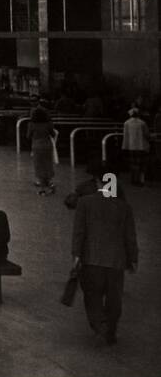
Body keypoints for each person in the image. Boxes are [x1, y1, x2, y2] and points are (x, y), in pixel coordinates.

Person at [72, 172, 139, 345]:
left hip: (92, 258)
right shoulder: (124, 207)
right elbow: (130, 236)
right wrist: (133, 258)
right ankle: (111, 327)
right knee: (114, 297)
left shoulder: (85, 203)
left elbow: (79, 232)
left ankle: (100, 325)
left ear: (97, 183)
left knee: (93, 294)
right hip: (117, 261)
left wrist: (76, 255)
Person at [29, 106, 57, 195]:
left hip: (36, 145)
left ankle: (42, 188)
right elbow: (52, 134)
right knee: (48, 164)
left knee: (39, 165)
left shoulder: (31, 124)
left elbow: (28, 135)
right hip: (47, 145)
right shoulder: (49, 124)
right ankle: (49, 182)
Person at [122, 107, 150, 186]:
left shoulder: (126, 123)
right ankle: (138, 180)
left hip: (131, 146)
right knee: (139, 164)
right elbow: (147, 134)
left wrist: (124, 146)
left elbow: (125, 136)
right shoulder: (142, 123)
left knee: (133, 163)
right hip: (141, 146)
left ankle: (133, 179)